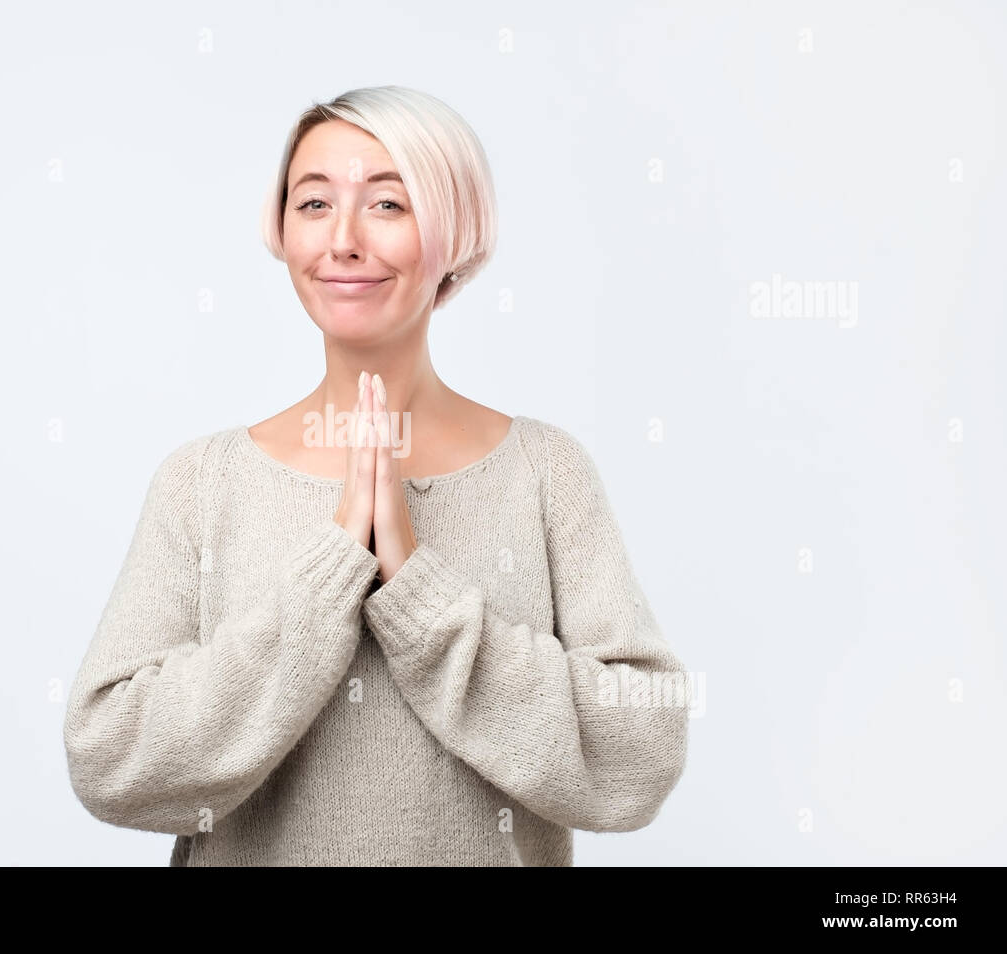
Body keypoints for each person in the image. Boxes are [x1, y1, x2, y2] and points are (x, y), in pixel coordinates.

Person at [62, 85, 689, 866]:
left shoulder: (544, 473)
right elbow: (109, 760)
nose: (344, 241)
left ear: (453, 228)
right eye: (314, 203)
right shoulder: (201, 483)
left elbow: (641, 756)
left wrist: (417, 590)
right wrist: (334, 573)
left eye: (387, 205)